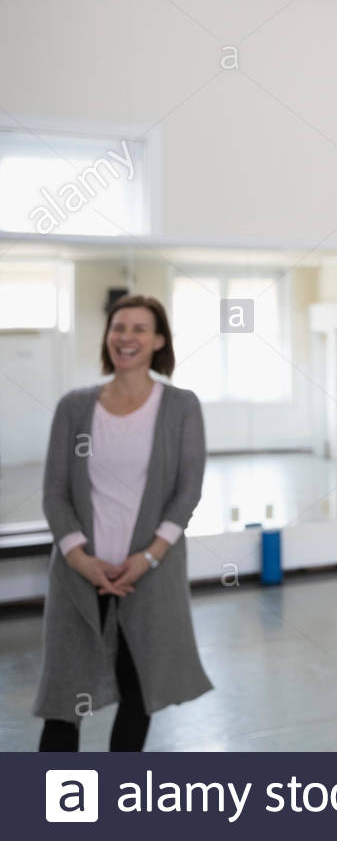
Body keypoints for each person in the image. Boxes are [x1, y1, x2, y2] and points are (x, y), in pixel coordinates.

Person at [35, 294, 211, 751]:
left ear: (158, 341)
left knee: (138, 693)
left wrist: (148, 557)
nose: (126, 337)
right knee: (64, 699)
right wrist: (80, 558)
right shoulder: (75, 406)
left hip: (149, 575)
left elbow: (187, 490)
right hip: (79, 575)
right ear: (107, 336)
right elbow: (54, 490)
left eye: (138, 329)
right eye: (118, 327)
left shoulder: (181, 406)